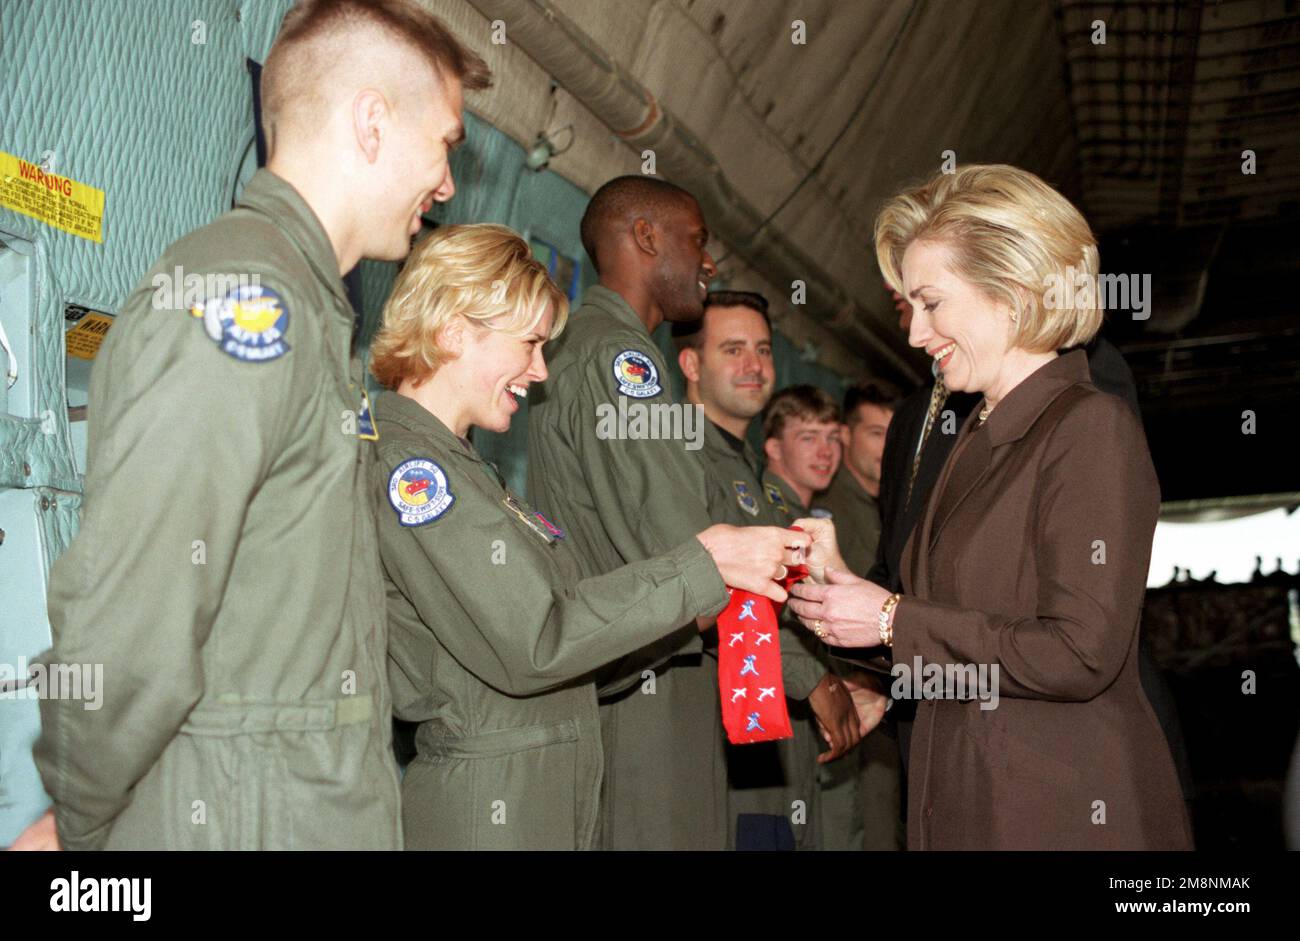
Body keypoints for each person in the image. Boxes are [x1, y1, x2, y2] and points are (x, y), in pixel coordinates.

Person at [11, 0, 490, 851]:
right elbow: (135, 609)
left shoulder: (305, 309)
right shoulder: (242, 297)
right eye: (446, 142)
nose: (447, 183)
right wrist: (79, 822)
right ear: (372, 120)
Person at [789, 164, 1193, 850]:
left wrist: (890, 618)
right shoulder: (976, 430)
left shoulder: (1088, 426)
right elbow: (959, 629)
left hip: (1054, 806)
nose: (915, 333)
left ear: (1010, 294)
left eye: (932, 302)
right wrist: (848, 597)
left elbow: (1078, 651)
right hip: (969, 793)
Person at [368, 225, 803, 849]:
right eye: (530, 344)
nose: (540, 372)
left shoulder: (467, 471)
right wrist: (702, 565)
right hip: (492, 804)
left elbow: (578, 647)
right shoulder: (417, 475)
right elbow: (539, 641)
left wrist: (693, 611)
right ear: (455, 332)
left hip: (535, 790)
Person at [527, 175, 797, 849]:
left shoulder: (591, 346)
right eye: (697, 240)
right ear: (646, 237)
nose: (709, 263)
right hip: (640, 684)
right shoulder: (623, 362)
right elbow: (694, 547)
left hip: (643, 661)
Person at [674, 291, 874, 850]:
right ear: (691, 364)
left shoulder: (750, 477)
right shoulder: (682, 462)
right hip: (716, 739)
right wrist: (815, 679)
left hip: (764, 746)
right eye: (732, 349)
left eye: (763, 349)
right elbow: (724, 595)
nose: (754, 365)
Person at [811, 381, 905, 851]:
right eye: (875, 433)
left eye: (894, 433)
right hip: (852, 689)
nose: (887, 447)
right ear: (847, 436)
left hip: (886, 691)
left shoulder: (890, 504)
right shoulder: (830, 510)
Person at [761, 385, 842, 517]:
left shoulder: (795, 512)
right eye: (809, 438)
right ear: (775, 449)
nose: (826, 452)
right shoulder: (764, 514)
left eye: (833, 438)